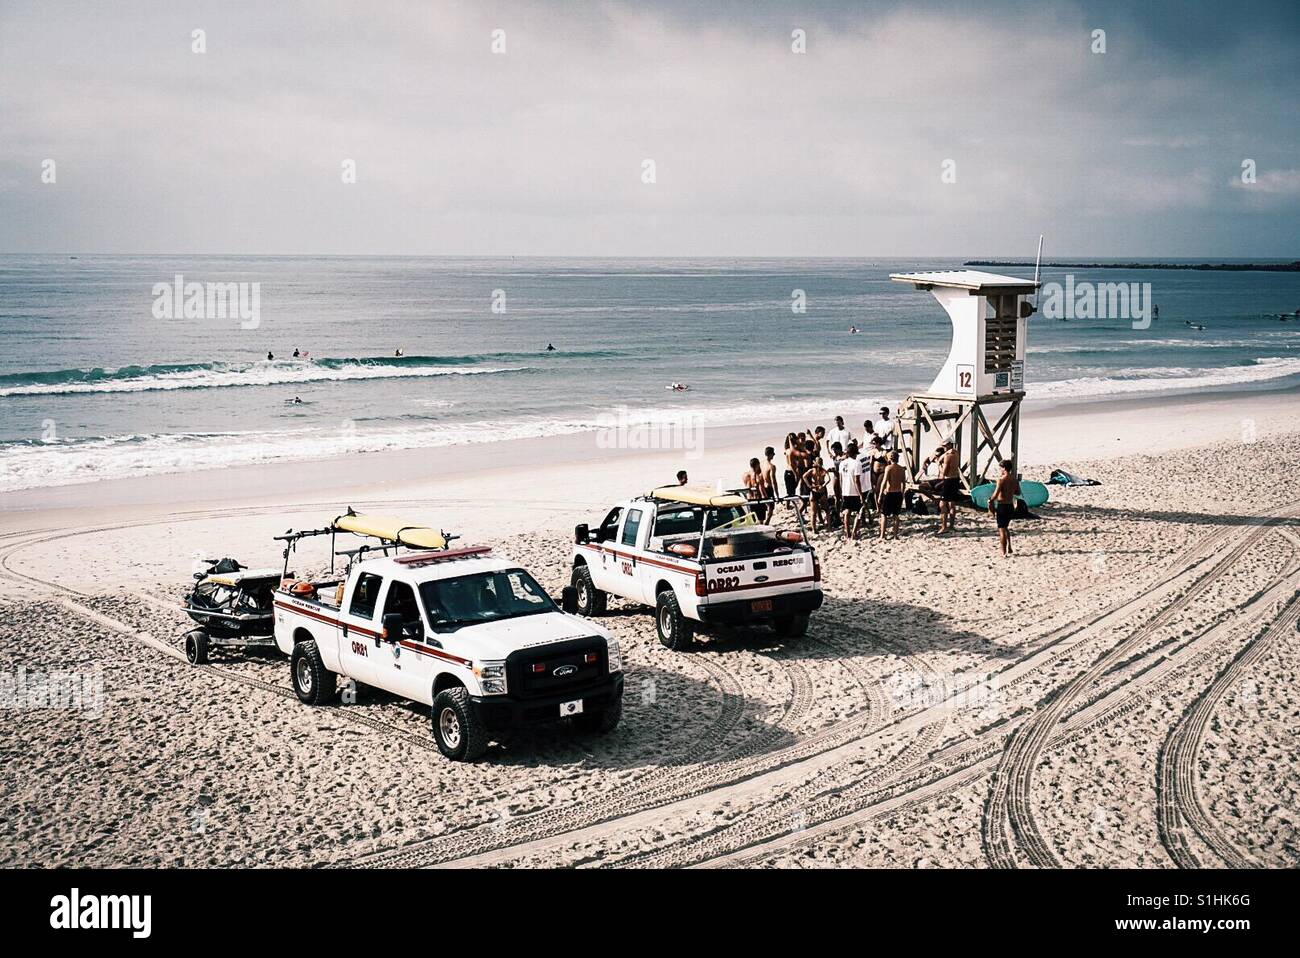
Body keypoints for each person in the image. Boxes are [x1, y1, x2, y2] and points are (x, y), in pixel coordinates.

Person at [988, 458, 1021, 557]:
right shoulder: (1014, 479)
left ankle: (1003, 552)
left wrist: (990, 500)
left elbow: (996, 494)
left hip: (1002, 506)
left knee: (1001, 529)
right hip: (1010, 506)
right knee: (1006, 527)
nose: (1000, 470)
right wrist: (1009, 491)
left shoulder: (1001, 479)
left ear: (1004, 468)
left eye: (1000, 468)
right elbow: (1018, 492)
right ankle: (1010, 547)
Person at [835, 441, 865, 540]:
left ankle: (847, 533)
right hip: (854, 491)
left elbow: (840, 478)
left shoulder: (842, 463)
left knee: (847, 512)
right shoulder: (857, 463)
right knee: (859, 512)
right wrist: (861, 494)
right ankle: (854, 533)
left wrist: (840, 490)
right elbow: (857, 480)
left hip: (845, 490)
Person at [879, 452, 906, 541]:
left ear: (890, 459)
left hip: (889, 493)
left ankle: (882, 536)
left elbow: (884, 482)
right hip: (898, 493)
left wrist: (880, 495)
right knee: (896, 515)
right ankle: (895, 536)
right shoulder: (902, 469)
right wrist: (902, 494)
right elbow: (903, 484)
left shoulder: (888, 468)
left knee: (884, 515)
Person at [800, 455, 831, 533]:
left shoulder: (812, 470)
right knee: (827, 510)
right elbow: (829, 479)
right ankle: (828, 526)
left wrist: (809, 485)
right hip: (822, 491)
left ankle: (814, 529)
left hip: (814, 491)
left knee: (813, 512)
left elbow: (804, 476)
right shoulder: (823, 470)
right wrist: (823, 485)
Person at [938, 441, 961, 534]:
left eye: (945, 446)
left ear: (949, 445)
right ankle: (951, 526)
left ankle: (944, 527)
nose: (944, 448)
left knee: (942, 505)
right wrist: (943, 455)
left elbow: (944, 473)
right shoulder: (956, 453)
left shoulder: (948, 456)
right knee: (952, 504)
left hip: (948, 480)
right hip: (955, 479)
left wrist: (939, 465)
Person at [760, 447, 780, 517]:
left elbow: (760, 476)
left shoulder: (761, 464)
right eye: (773, 454)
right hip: (769, 488)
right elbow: (773, 481)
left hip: (763, 487)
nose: (774, 455)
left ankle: (765, 523)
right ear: (770, 454)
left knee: (766, 507)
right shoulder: (772, 467)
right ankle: (766, 524)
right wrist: (777, 495)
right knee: (770, 509)